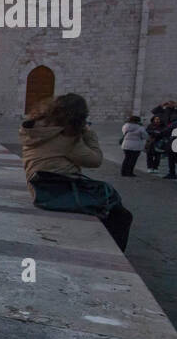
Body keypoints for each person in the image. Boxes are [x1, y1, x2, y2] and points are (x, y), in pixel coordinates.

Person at [20, 94, 133, 251]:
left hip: (38, 185)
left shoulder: (36, 129)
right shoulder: (67, 137)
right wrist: (90, 136)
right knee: (119, 213)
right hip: (59, 190)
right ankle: (114, 255)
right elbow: (95, 161)